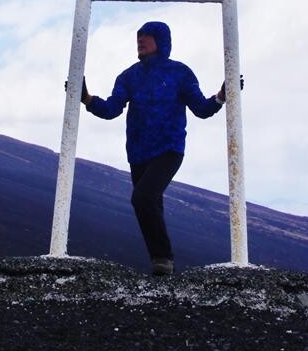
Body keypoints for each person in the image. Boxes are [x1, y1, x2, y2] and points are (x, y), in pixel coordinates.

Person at [81, 20, 227, 276]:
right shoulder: (128, 76)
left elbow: (201, 109)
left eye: (147, 37)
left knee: (142, 197)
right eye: (139, 36)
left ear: (162, 41)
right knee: (150, 204)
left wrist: (221, 97)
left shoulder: (180, 73)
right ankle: (162, 263)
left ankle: (163, 258)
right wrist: (87, 99)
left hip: (169, 149)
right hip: (138, 152)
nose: (141, 41)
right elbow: (112, 110)